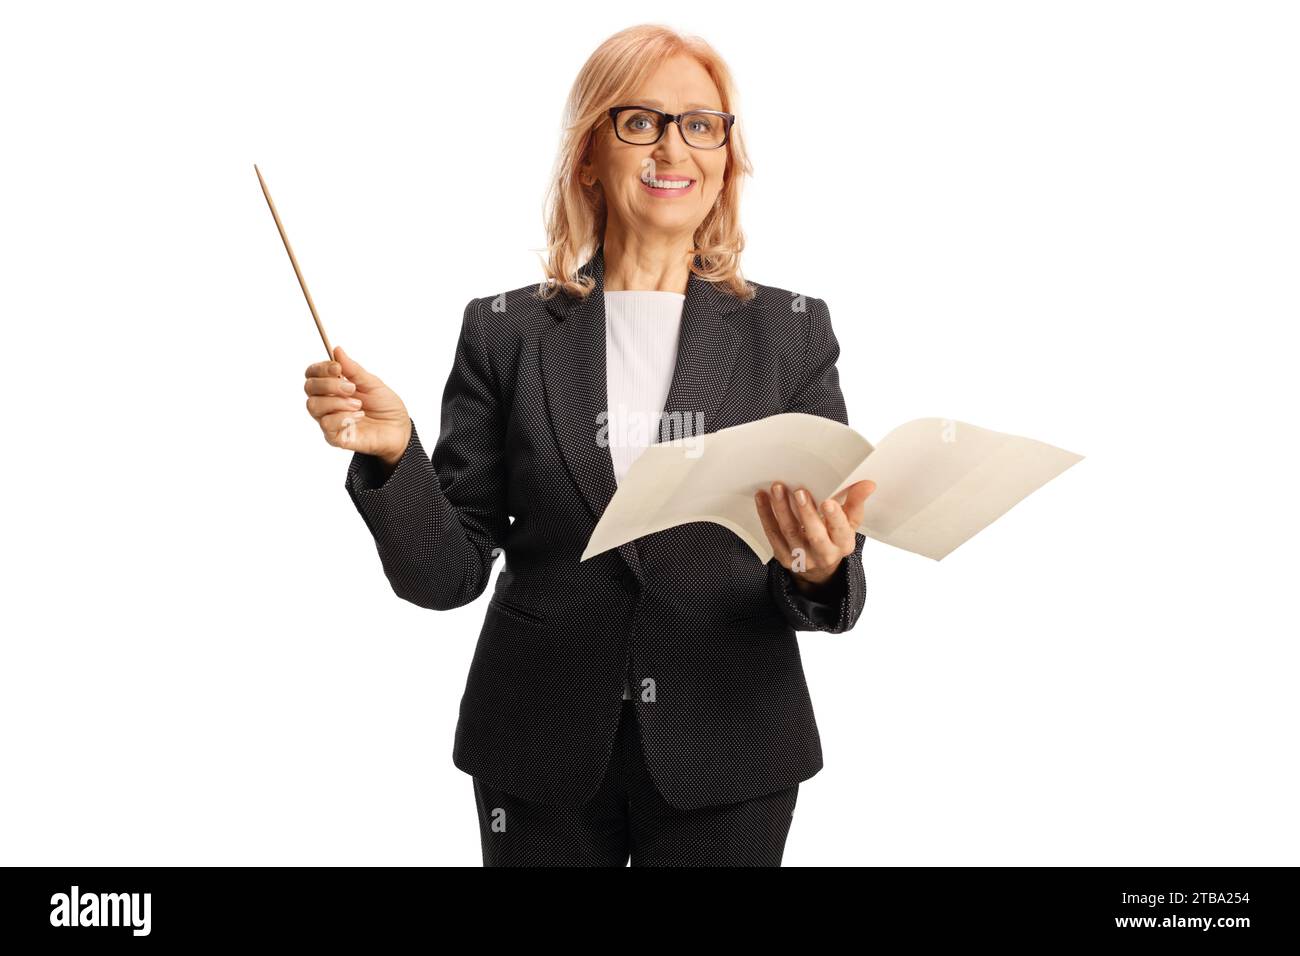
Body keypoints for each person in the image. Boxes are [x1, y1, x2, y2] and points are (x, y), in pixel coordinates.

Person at [302, 24, 875, 867]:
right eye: (639, 121)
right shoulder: (507, 333)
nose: (673, 146)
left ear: (725, 156)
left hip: (728, 740)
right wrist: (395, 456)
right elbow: (447, 575)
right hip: (538, 745)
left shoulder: (788, 332)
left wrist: (823, 567)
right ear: (587, 156)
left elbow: (829, 566)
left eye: (701, 124)